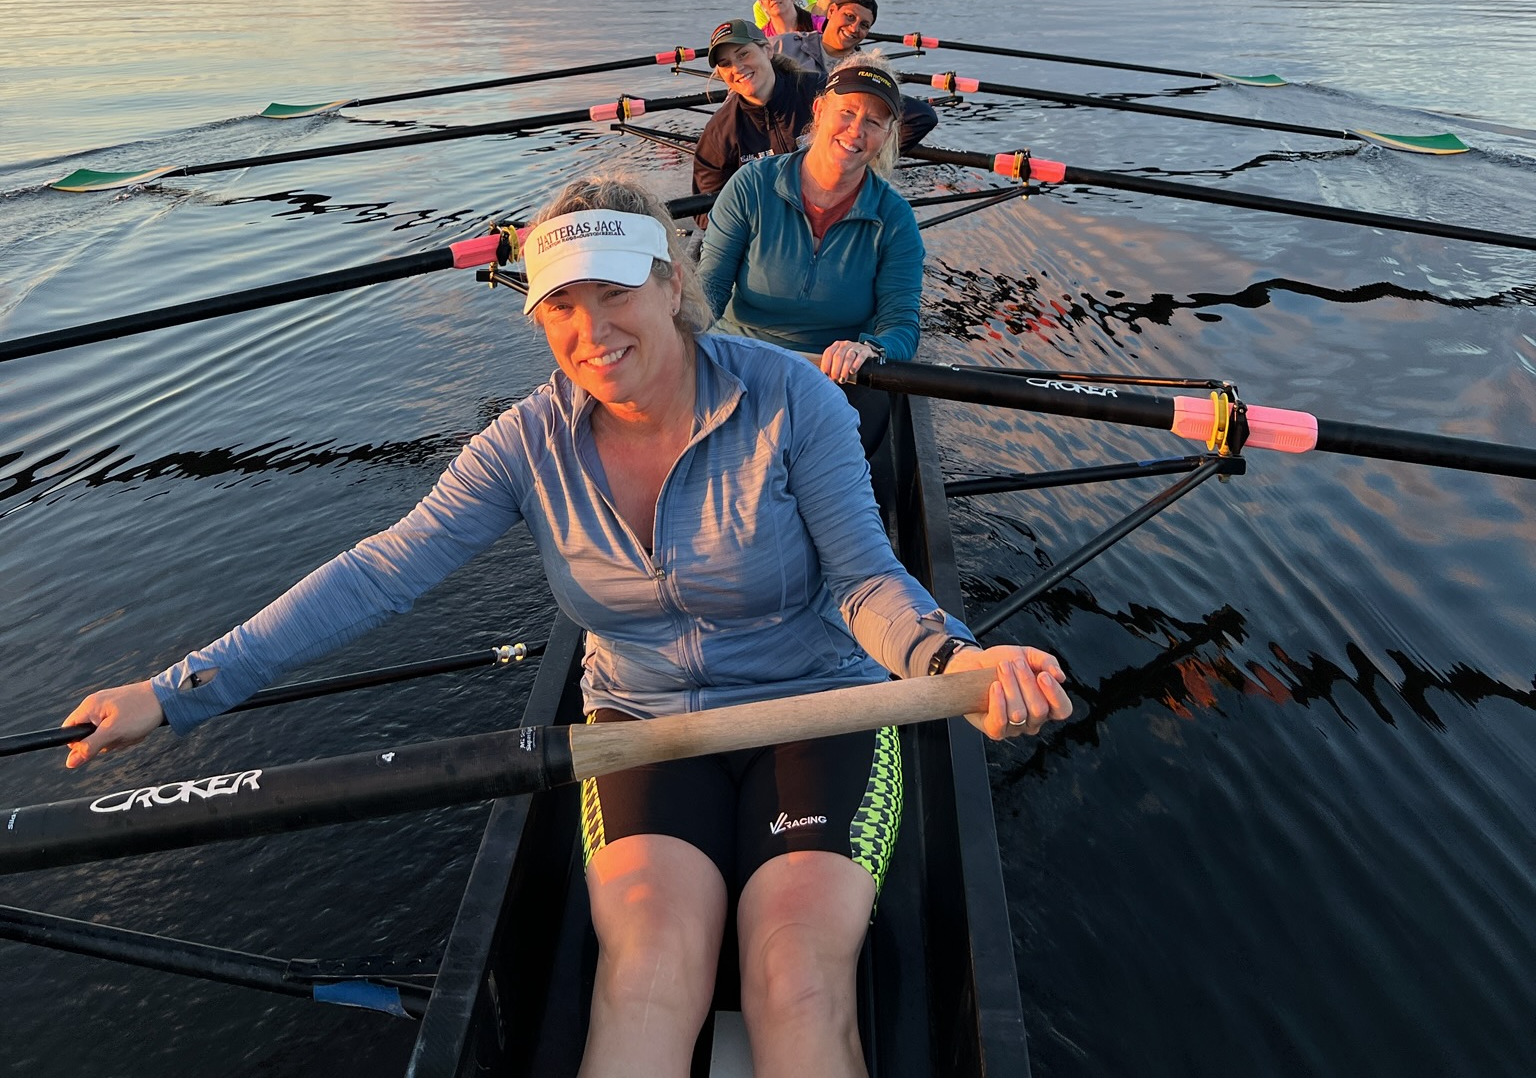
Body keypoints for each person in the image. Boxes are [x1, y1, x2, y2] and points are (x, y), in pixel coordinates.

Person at [62, 176, 1071, 1078]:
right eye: (561, 307)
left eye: (615, 293)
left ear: (674, 283)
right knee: (641, 979)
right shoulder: (525, 441)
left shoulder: (791, 398)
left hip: (818, 707)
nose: (592, 332)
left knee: (796, 979)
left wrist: (953, 660)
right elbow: (378, 570)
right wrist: (177, 690)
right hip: (644, 722)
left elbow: (863, 581)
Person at [697, 57, 921, 402]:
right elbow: (709, 289)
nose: (856, 131)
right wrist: (681, 336)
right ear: (819, 110)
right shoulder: (751, 186)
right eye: (846, 112)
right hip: (740, 362)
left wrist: (872, 349)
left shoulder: (894, 218)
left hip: (830, 378)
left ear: (887, 135)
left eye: (873, 121)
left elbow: (901, 324)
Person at [776, 0, 939, 154]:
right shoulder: (783, 44)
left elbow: (922, 118)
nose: (854, 28)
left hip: (827, 152)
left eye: (864, 25)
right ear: (831, 11)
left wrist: (868, 155)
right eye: (850, 17)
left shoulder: (864, 72)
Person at [692, 18, 820, 200]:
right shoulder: (719, 132)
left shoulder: (819, 90)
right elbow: (705, 211)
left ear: (768, 50)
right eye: (725, 63)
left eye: (743, 54)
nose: (736, 68)